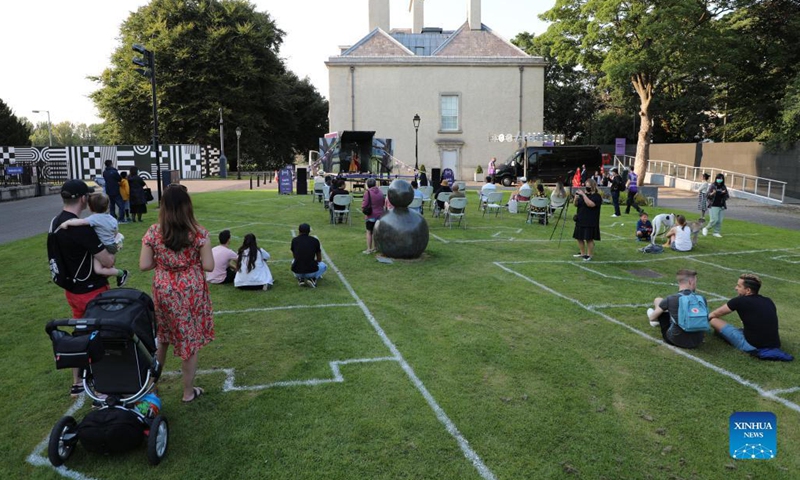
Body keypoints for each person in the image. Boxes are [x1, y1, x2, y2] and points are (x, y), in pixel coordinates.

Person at [140, 184, 214, 403]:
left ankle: (151, 386)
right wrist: (188, 262)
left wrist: (164, 263)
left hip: (164, 288)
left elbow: (144, 265)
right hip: (190, 290)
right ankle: (188, 391)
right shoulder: (199, 234)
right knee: (188, 341)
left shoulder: (154, 232)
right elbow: (209, 266)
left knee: (162, 338)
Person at [50, 179, 116, 397]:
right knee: (100, 334)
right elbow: (107, 261)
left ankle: (77, 381)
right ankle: (102, 384)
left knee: (80, 331)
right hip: (92, 290)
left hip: (72, 289)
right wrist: (114, 244)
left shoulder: (55, 222)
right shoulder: (82, 228)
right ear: (82, 199)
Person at [708, 274, 790, 360]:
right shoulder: (768, 301)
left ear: (748, 290)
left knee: (714, 320)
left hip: (753, 346)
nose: (736, 288)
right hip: (774, 344)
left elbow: (713, 314)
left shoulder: (739, 301)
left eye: (739, 286)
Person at [58, 192, 129, 287]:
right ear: (107, 206)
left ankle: (121, 273)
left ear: (90, 207)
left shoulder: (94, 219)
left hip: (105, 246)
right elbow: (115, 232)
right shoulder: (112, 219)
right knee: (107, 266)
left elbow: (81, 222)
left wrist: (67, 222)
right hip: (113, 244)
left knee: (98, 270)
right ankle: (113, 271)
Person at [646, 269, 706, 349]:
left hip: (675, 340)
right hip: (697, 341)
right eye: (695, 282)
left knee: (658, 300)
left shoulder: (671, 299)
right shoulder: (701, 299)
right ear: (690, 282)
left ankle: (658, 320)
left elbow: (651, 318)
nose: (695, 284)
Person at [572, 178, 602, 261]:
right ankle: (582, 253)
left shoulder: (596, 196)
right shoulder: (583, 195)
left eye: (588, 186)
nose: (586, 187)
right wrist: (576, 198)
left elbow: (590, 204)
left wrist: (584, 195)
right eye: (585, 186)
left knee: (589, 238)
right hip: (580, 218)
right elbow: (576, 205)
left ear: (592, 186)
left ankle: (589, 255)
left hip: (590, 220)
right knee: (579, 237)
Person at [291, 223, 327, 287]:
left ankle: (301, 279)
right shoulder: (315, 241)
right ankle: (313, 279)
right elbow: (319, 259)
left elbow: (294, 256)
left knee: (293, 261)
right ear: (309, 231)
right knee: (323, 265)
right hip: (311, 272)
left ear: (299, 231)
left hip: (297, 272)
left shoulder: (294, 240)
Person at [361, 178, 384, 254]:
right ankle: (375, 247)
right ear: (375, 184)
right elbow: (383, 202)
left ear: (367, 185)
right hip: (380, 215)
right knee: (376, 232)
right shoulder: (380, 192)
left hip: (371, 215)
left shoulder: (367, 193)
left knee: (369, 232)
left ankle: (369, 249)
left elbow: (364, 204)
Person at [703, 173, 729, 238]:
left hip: (721, 205)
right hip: (713, 205)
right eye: (718, 178)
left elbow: (727, 196)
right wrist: (712, 193)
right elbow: (707, 195)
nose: (719, 180)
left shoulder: (723, 187)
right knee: (714, 219)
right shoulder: (713, 185)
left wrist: (723, 194)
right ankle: (706, 228)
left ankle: (716, 232)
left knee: (719, 220)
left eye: (721, 179)